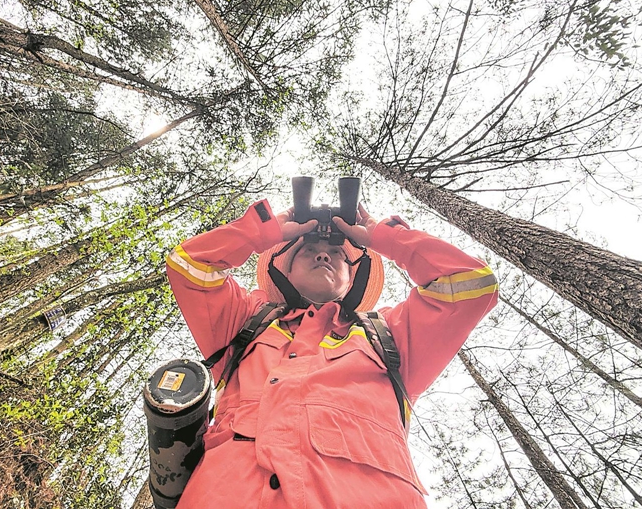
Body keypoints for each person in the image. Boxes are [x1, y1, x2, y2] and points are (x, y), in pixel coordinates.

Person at [166, 199, 498, 508]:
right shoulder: (245, 321)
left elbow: (470, 283)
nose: (323, 255)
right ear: (285, 271)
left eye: (337, 254)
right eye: (308, 249)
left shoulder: (391, 334)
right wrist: (265, 231)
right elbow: (191, 265)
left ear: (352, 278)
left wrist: (384, 235)